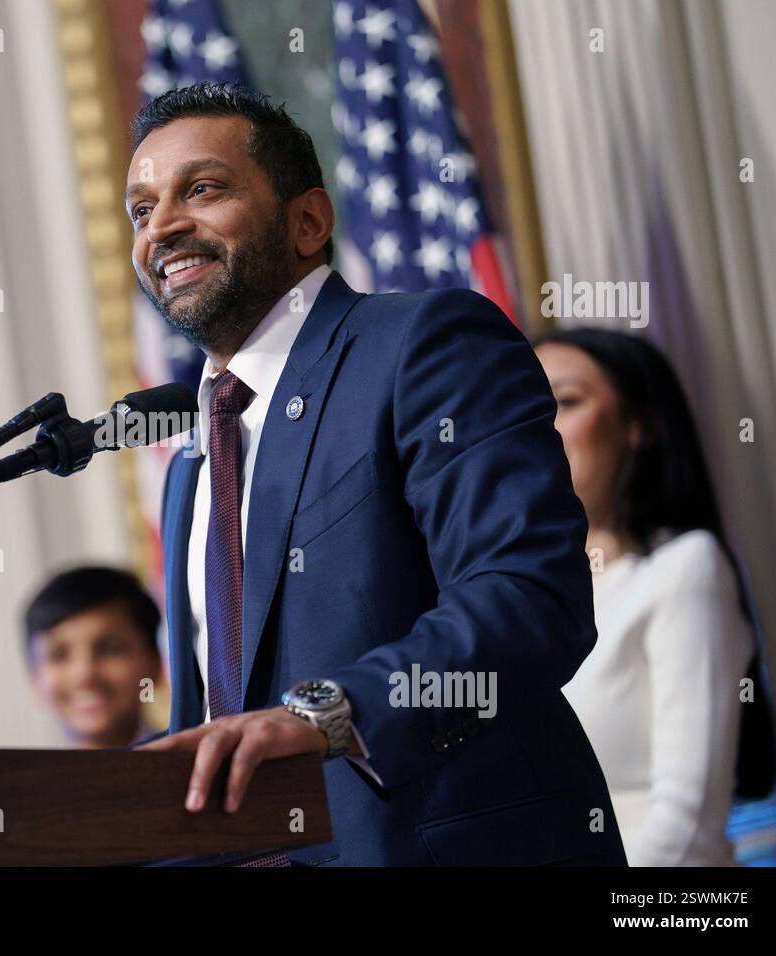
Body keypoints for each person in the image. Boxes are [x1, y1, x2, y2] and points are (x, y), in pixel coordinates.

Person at [129, 82, 626, 865]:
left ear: (309, 221)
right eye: (141, 208)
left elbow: (530, 596)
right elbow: (217, 731)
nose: (162, 225)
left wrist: (325, 716)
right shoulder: (192, 460)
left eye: (201, 188)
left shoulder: (422, 344)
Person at [535, 328, 776, 866]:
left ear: (639, 424)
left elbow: (688, 829)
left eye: (566, 402)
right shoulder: (512, 601)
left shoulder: (684, 569)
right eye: (524, 404)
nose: (538, 425)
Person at [24, 566, 164, 749]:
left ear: (155, 663)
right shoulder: (21, 777)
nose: (84, 674)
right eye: (59, 656)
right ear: (35, 678)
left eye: (110, 649)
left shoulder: (197, 769)